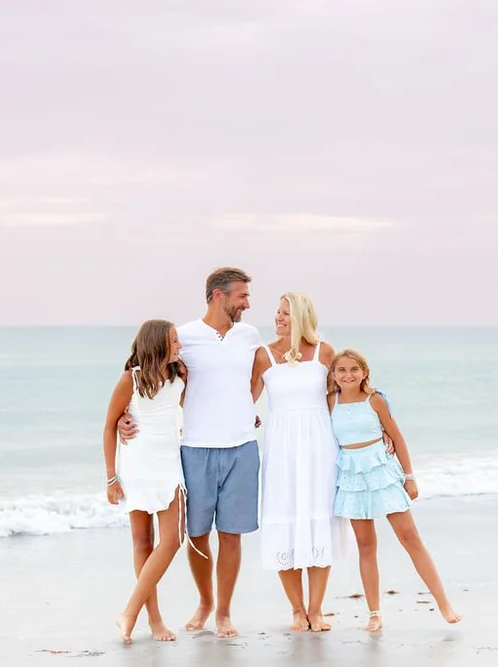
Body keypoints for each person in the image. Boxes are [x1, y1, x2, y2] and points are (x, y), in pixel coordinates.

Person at [118, 267, 262, 639]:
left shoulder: (250, 336)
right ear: (219, 296)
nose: (248, 302)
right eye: (242, 296)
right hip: (194, 450)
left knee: (231, 534)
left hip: (242, 448)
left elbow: (258, 377)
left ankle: (224, 614)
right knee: (196, 535)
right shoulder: (183, 336)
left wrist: (248, 409)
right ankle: (205, 602)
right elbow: (147, 378)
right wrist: (124, 419)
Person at [327, 348, 462, 632]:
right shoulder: (330, 402)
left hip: (382, 471)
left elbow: (397, 437)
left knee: (410, 537)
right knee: (365, 545)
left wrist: (409, 477)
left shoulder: (375, 400)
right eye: (341, 370)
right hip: (352, 476)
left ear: (364, 372)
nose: (348, 375)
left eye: (354, 369)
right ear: (333, 375)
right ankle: (374, 613)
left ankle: (444, 603)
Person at [250, 293, 351, 632]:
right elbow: (242, 401)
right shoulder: (263, 356)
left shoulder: (325, 352)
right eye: (277, 312)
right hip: (281, 450)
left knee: (318, 520)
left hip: (320, 448)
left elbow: (345, 396)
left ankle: (316, 609)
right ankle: (296, 610)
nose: (278, 318)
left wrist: (379, 429)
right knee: (286, 521)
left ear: (303, 317)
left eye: (285, 314)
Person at [102, 320, 187, 645]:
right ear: (157, 345)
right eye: (174, 341)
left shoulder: (180, 373)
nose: (180, 346)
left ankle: (129, 612)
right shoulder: (131, 379)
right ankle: (153, 620)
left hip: (169, 465)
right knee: (142, 543)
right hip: (137, 464)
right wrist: (111, 478)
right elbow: (109, 426)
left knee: (172, 539)